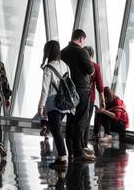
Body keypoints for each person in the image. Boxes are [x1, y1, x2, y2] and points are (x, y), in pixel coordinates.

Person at [60, 29, 96, 162]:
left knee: (71, 120)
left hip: (68, 90)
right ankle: (79, 151)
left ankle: (71, 150)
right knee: (81, 120)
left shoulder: (63, 52)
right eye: (83, 40)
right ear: (81, 39)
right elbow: (90, 70)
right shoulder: (82, 52)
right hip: (81, 89)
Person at [37, 39, 72, 165]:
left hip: (53, 102)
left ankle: (62, 156)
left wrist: (40, 106)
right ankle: (62, 156)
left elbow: (45, 90)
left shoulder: (48, 68)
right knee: (56, 129)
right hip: (64, 103)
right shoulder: (66, 65)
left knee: (56, 130)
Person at [85, 45, 106, 135]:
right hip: (90, 97)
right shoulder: (95, 67)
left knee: (78, 120)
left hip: (78, 97)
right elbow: (100, 86)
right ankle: (84, 144)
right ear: (92, 56)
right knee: (87, 121)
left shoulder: (78, 65)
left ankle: (77, 143)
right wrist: (103, 100)